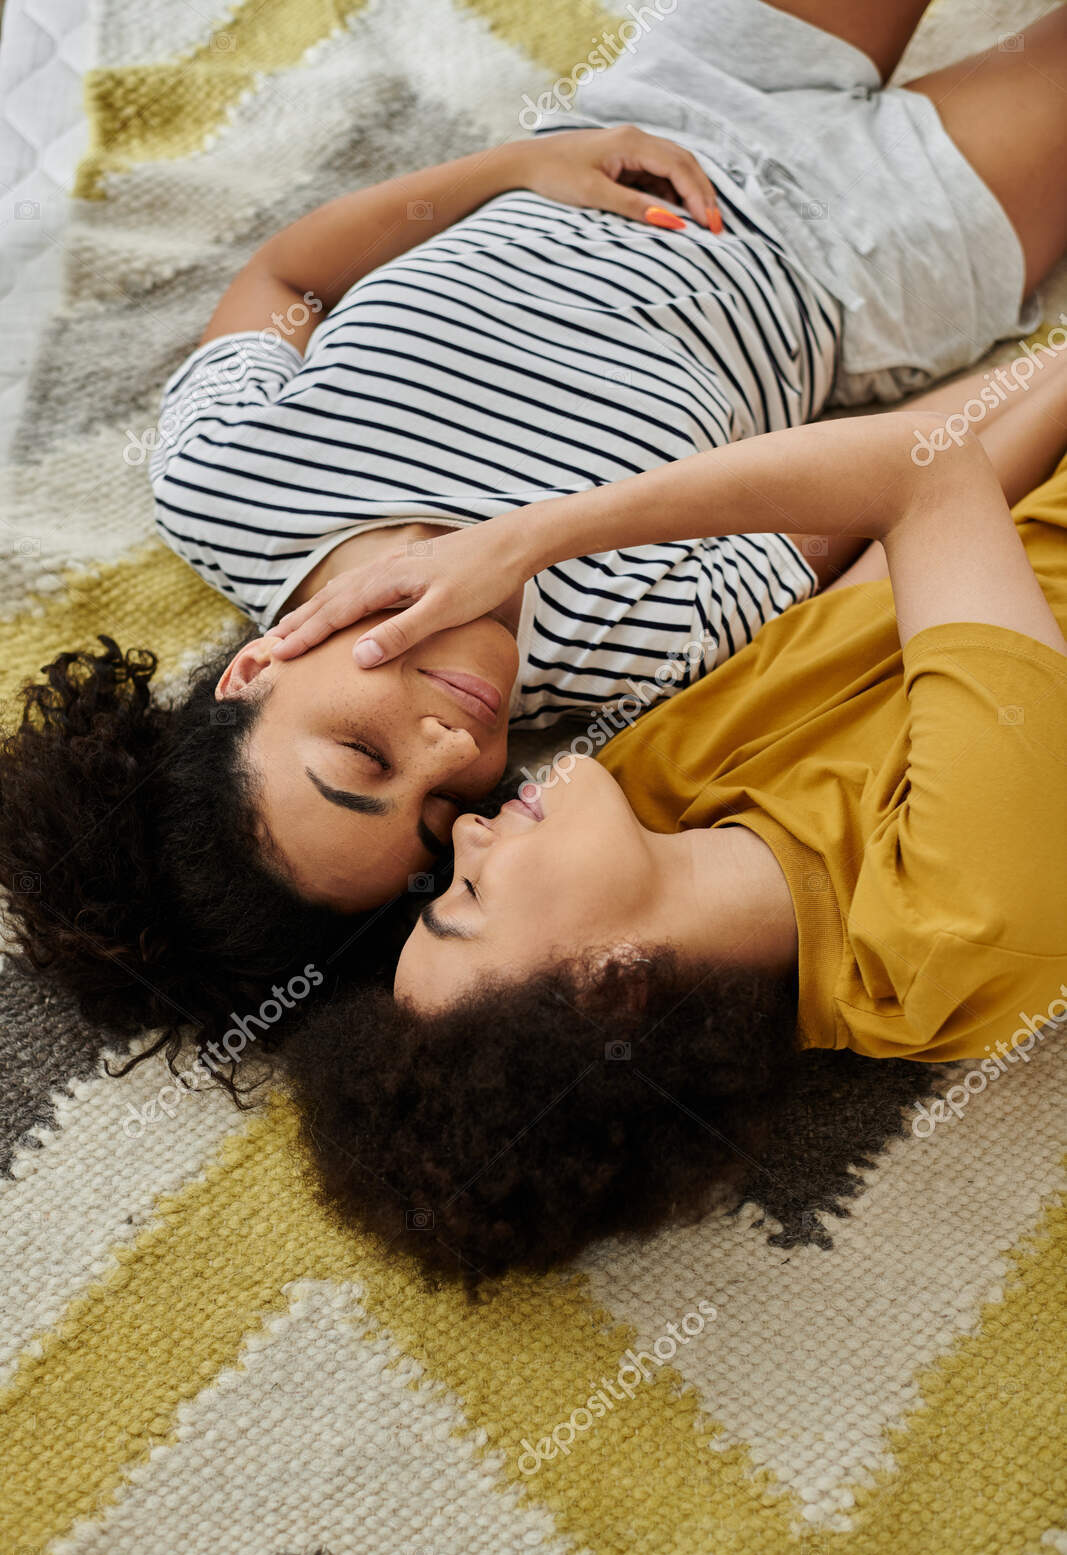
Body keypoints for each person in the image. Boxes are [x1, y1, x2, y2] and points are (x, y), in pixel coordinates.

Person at [3, 0, 1067, 1065]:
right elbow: (896, 474)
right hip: (871, 255)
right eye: (446, 811)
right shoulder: (634, 654)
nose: (455, 754)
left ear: (253, 670)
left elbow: (287, 283)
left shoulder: (222, 486)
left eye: (363, 753)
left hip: (652, 105)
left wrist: (509, 171)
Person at [284, 355, 1067, 1283]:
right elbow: (923, 474)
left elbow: (901, 557)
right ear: (612, 987)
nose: (465, 831)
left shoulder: (644, 796)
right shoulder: (961, 914)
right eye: (465, 897)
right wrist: (530, 538)